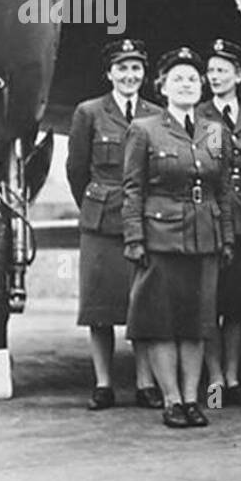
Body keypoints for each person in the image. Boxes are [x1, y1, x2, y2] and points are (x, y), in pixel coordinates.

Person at [122, 47, 234, 429]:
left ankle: (192, 398)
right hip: (161, 235)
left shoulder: (215, 131)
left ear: (202, 85)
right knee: (162, 323)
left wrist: (227, 236)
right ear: (162, 86)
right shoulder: (145, 129)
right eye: (177, 79)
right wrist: (135, 239)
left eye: (192, 78)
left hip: (205, 234)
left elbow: (223, 185)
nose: (186, 84)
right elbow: (132, 188)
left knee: (198, 323)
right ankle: (171, 399)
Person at [66, 37, 161, 411]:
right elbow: (76, 168)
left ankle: (145, 383)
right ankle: (103, 384)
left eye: (136, 68)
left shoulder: (156, 112)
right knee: (99, 309)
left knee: (144, 306)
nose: (129, 75)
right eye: (122, 68)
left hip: (144, 219)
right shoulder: (88, 112)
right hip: (102, 221)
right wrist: (94, 203)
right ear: (109, 73)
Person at [196, 38, 241, 407]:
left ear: (239, 75)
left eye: (223, 70)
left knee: (240, 304)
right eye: (211, 71)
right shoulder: (200, 116)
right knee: (209, 303)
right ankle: (216, 381)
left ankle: (233, 376)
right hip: (211, 218)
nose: (215, 76)